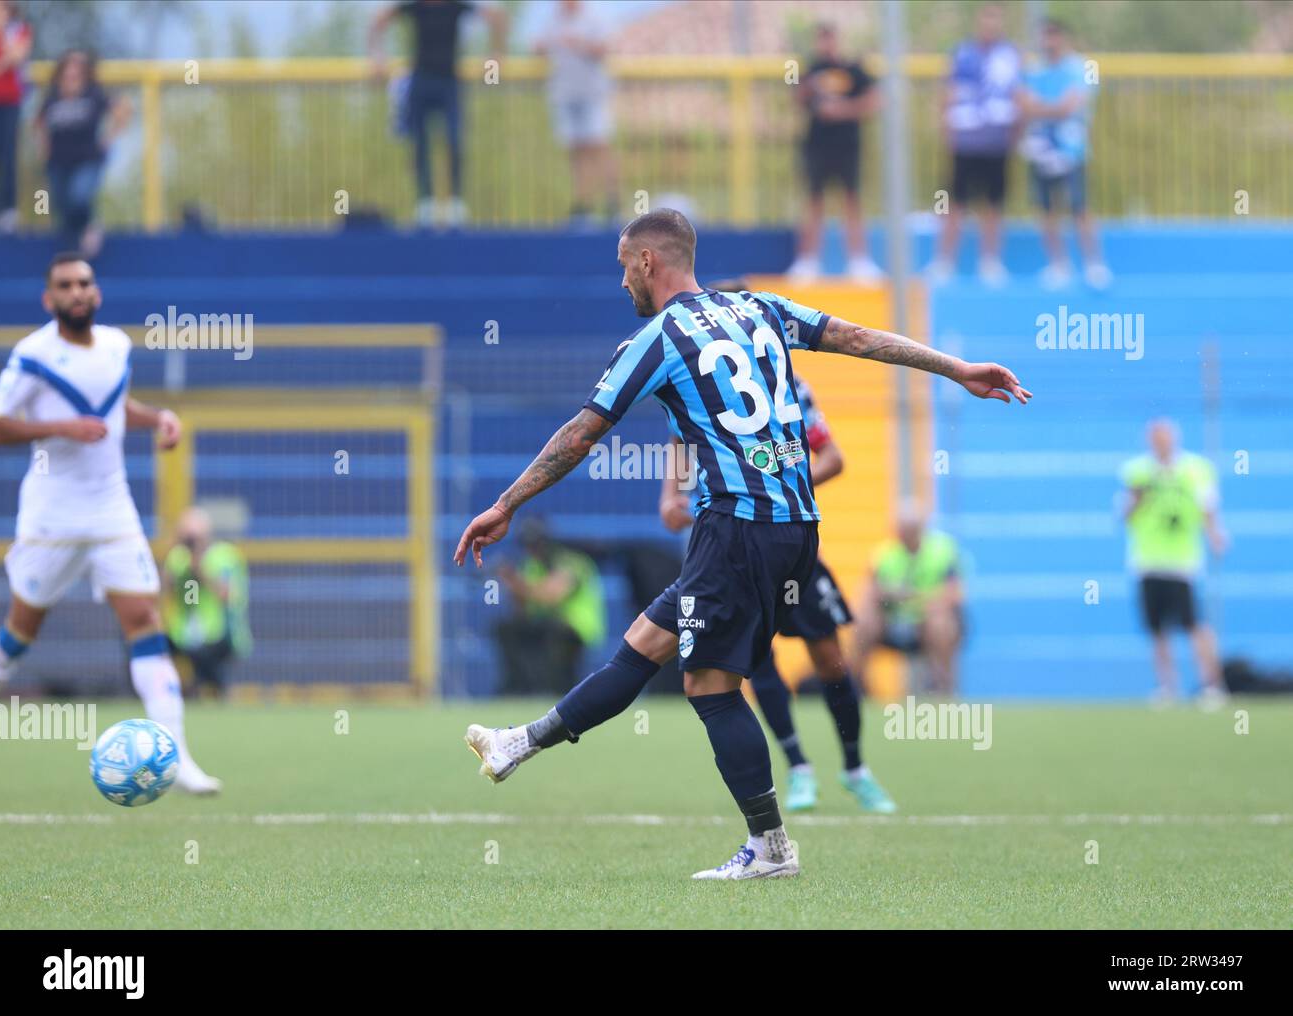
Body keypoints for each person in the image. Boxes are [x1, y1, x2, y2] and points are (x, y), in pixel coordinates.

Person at [454, 208, 1030, 880]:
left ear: (647, 262)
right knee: (644, 644)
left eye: (622, 266)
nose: (621, 283)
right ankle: (517, 743)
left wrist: (506, 503)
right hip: (793, 527)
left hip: (736, 527)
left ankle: (772, 845)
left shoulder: (659, 337)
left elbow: (580, 435)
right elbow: (856, 336)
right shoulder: (758, 307)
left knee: (708, 684)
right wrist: (956, 367)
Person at [0, 253, 221, 794]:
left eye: (85, 283)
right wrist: (61, 428)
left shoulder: (118, 345)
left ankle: (178, 756)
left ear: (96, 294)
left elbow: (114, 409)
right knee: (19, 635)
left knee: (145, 619)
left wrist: (158, 418)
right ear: (49, 299)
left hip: (112, 509)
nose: (77, 292)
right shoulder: (33, 355)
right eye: (66, 285)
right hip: (51, 517)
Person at [659, 373, 896, 814]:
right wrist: (671, 495)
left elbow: (833, 459)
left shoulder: (785, 385)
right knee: (757, 660)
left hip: (789, 550)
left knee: (828, 657)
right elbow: (679, 436)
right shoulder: (698, 381)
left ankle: (855, 767)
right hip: (734, 554)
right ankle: (798, 766)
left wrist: (776, 492)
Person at [369, 0, 507, 229]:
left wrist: (495, 56)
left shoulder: (456, 6)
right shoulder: (415, 6)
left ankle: (455, 203)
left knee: (454, 140)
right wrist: (376, 56)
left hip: (449, 83)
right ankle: (425, 203)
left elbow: (498, 16)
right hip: (420, 81)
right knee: (420, 144)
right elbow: (378, 20)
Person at [1119, 419, 1227, 706]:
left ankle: (1212, 685)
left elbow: (1208, 507)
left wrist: (1215, 534)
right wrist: (1137, 498)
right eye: (1155, 437)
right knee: (1157, 629)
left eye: (1165, 437)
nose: (1160, 442)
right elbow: (1125, 515)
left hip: (1182, 561)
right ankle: (1167, 687)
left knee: (1194, 624)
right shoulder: (1137, 471)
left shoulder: (1196, 469)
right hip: (1146, 560)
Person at [927, 3, 1020, 287]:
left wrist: (1015, 134)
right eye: (986, 18)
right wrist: (945, 127)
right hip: (966, 140)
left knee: (993, 202)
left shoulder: (1010, 56)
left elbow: (1017, 95)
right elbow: (949, 91)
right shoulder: (963, 53)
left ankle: (990, 261)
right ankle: (945, 261)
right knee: (955, 201)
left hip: (995, 141)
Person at [1018, 18, 1111, 290]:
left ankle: (1094, 264)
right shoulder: (1033, 70)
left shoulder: (1080, 67)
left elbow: (1071, 105)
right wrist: (1052, 109)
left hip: (1071, 152)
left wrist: (1043, 109)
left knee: (1079, 208)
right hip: (1040, 151)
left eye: (1054, 36)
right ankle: (1058, 264)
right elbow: (1023, 103)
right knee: (1046, 209)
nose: (1049, 42)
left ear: (1063, 38)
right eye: (1045, 37)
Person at [786, 22, 882, 283]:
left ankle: (859, 261)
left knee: (851, 200)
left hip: (847, 146)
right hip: (817, 145)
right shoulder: (808, 69)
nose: (826, 44)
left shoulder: (853, 68)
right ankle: (808, 261)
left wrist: (843, 110)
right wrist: (809, 87)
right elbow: (795, 96)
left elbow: (874, 100)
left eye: (830, 38)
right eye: (822, 39)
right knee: (814, 201)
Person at [854, 504, 965, 699]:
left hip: (929, 620)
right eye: (903, 530)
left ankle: (943, 687)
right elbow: (868, 594)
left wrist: (921, 599)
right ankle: (858, 687)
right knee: (863, 621)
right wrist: (890, 594)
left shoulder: (942, 551)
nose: (907, 535)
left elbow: (955, 594)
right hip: (893, 619)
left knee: (939, 621)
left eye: (912, 530)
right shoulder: (884, 555)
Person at [34, 50, 131, 257]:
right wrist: (44, 146)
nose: (71, 78)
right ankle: (72, 252)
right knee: (62, 205)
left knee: (79, 196)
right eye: (67, 73)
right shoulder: (52, 98)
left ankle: (90, 227)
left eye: (76, 74)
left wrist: (109, 138)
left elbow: (122, 110)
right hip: (58, 161)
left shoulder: (94, 95)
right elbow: (39, 122)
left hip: (88, 159)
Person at [493, 517, 606, 695]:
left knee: (554, 634)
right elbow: (522, 610)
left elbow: (552, 596)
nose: (532, 550)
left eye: (536, 544)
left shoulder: (572, 562)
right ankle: (516, 688)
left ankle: (557, 690)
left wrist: (516, 582)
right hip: (545, 623)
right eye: (527, 545)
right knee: (506, 629)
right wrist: (511, 588)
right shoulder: (531, 566)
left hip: (577, 628)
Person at [534, 0, 618, 226]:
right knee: (577, 150)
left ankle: (613, 203)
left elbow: (605, 49)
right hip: (564, 94)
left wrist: (579, 44)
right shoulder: (553, 20)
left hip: (592, 94)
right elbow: (538, 47)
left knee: (599, 146)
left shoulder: (595, 16)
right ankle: (584, 205)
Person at [163, 506, 252, 700]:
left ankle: (213, 689)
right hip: (182, 632)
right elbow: (166, 591)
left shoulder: (224, 556)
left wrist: (200, 568)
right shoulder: (177, 558)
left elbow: (227, 595)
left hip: (218, 632)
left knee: (202, 655)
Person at [0, 0, 31, 234]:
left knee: (7, 155)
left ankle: (8, 210)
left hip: (10, 101)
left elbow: (18, 57)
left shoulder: (19, 29)